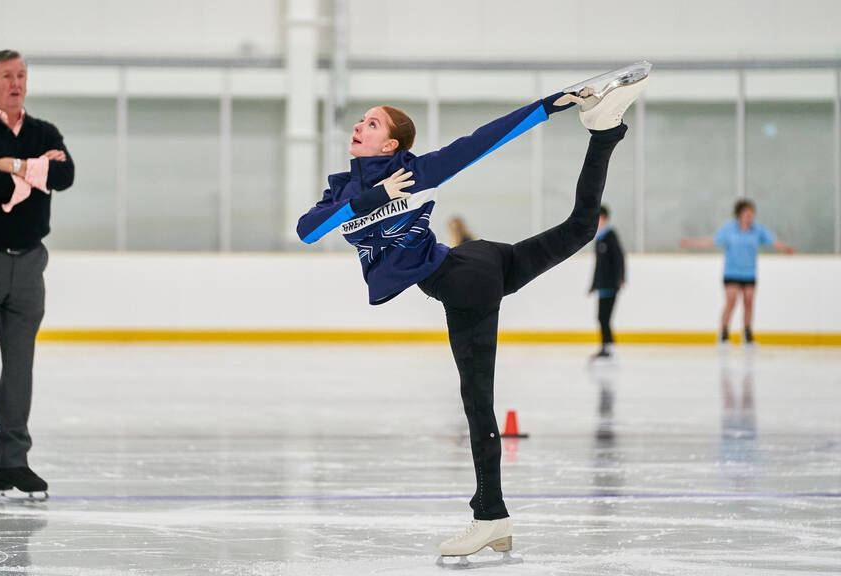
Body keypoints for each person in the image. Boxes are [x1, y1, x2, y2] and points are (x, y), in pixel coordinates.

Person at [297, 61, 650, 559]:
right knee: (579, 229)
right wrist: (372, 198)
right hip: (476, 261)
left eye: (372, 124)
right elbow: (309, 230)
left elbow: (483, 140)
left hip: (463, 281)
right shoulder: (344, 192)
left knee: (477, 403)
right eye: (362, 121)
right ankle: (606, 131)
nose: (359, 126)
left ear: (391, 145)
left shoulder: (415, 173)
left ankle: (490, 517)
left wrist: (549, 105)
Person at [0, 49, 74, 498]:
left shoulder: (43, 131)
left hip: (28, 261)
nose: (16, 82)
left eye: (21, 75)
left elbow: (66, 176)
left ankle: (13, 462)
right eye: (6, 75)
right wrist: (37, 170)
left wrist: (16, 166)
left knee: (20, 365)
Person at [681, 199, 793, 345]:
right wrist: (691, 243)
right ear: (739, 214)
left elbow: (773, 241)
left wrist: (785, 249)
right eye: (747, 212)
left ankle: (747, 333)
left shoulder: (758, 230)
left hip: (749, 272)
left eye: (752, 212)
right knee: (731, 301)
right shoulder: (730, 229)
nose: (750, 215)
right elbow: (712, 241)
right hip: (732, 272)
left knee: (749, 301)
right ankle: (724, 332)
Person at [589, 205, 625, 360]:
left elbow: (619, 258)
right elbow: (598, 266)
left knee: (604, 317)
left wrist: (620, 278)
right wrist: (593, 285)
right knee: (601, 317)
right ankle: (606, 345)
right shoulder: (599, 239)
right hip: (602, 286)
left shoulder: (611, 236)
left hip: (611, 285)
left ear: (603, 218)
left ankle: (609, 347)